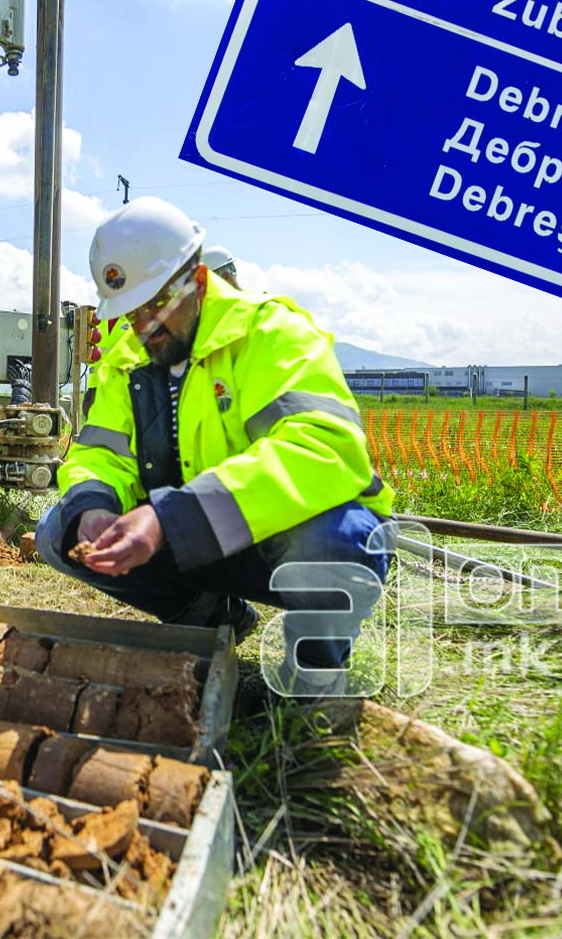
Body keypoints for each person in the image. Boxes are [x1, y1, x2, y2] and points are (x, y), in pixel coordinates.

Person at [36, 197, 394, 691]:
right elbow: (100, 453)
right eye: (132, 312)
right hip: (191, 541)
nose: (145, 327)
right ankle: (212, 619)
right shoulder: (127, 359)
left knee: (333, 541)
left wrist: (168, 518)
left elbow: (321, 448)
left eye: (158, 304)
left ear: (200, 282)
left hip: (267, 539)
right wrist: (94, 506)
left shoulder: (272, 333)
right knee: (60, 530)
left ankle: (314, 677)